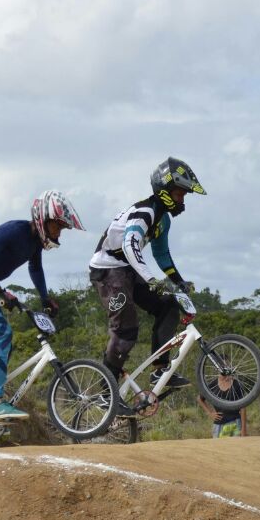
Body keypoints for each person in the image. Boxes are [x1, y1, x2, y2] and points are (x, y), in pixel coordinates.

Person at [0, 190, 85, 420]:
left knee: (3, 341)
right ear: (43, 218)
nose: (58, 232)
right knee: (0, 331)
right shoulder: (14, 231)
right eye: (57, 226)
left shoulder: (34, 243)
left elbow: (35, 268)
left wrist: (44, 298)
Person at [88, 158, 206, 387]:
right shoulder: (145, 212)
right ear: (165, 191)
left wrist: (178, 282)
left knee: (169, 305)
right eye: (180, 194)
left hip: (128, 270)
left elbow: (161, 255)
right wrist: (152, 280)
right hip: (107, 270)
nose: (182, 201)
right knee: (126, 329)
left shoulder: (163, 221)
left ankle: (160, 371)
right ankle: (105, 392)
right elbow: (129, 245)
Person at [197, 373, 248, 438]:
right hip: (218, 425)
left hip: (235, 422)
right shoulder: (213, 384)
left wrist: (243, 429)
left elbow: (243, 407)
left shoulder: (236, 384)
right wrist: (209, 413)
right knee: (219, 447)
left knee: (236, 447)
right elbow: (200, 398)